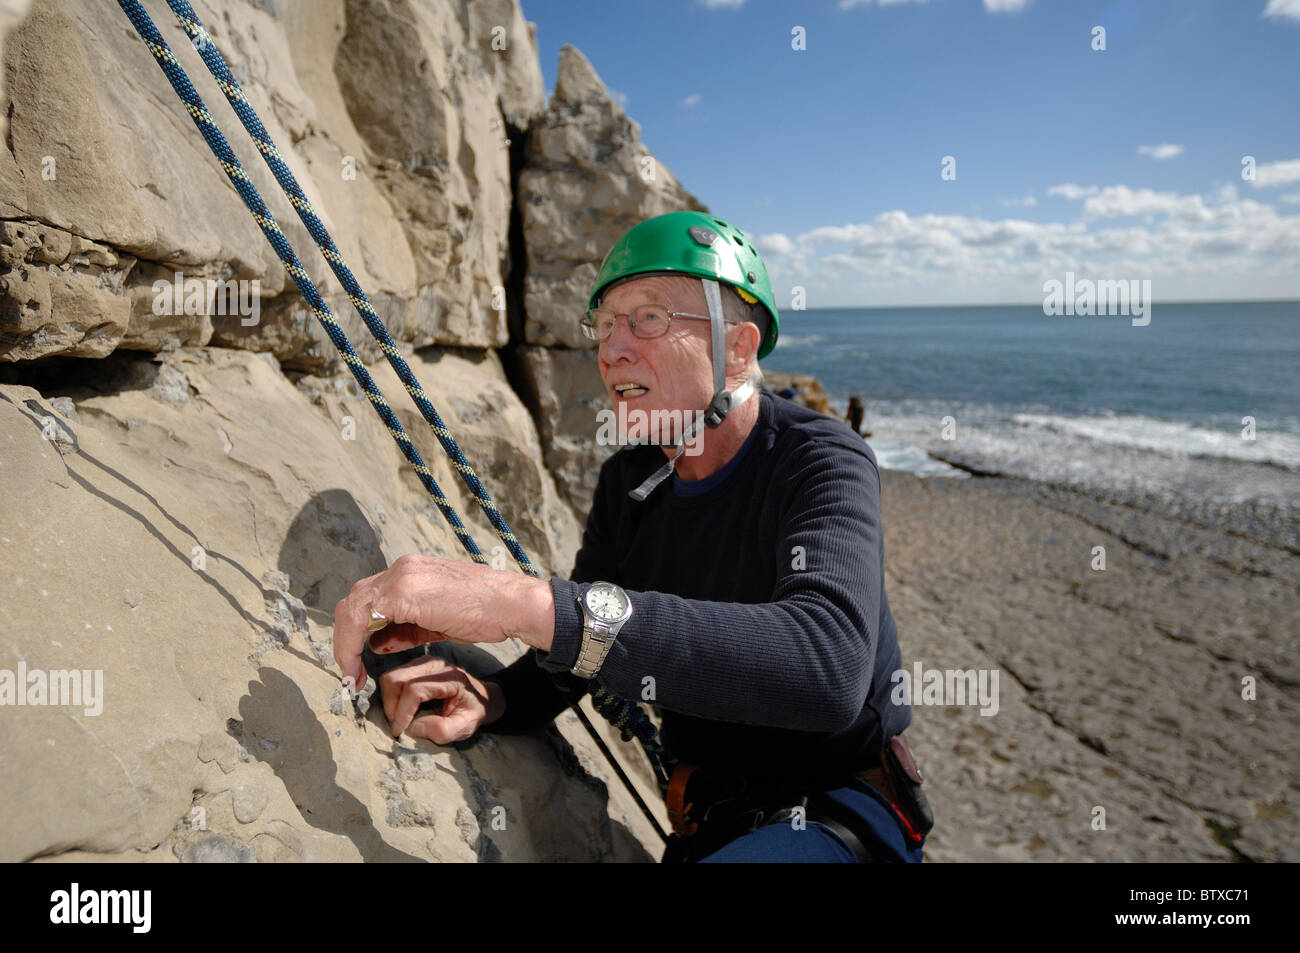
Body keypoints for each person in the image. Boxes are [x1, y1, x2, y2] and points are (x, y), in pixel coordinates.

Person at [332, 210, 930, 863]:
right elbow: (581, 646)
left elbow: (827, 666)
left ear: (738, 348)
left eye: (647, 319)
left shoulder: (821, 460)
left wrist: (520, 603)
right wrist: (500, 696)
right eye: (606, 324)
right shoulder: (632, 482)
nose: (611, 349)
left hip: (834, 812)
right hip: (711, 820)